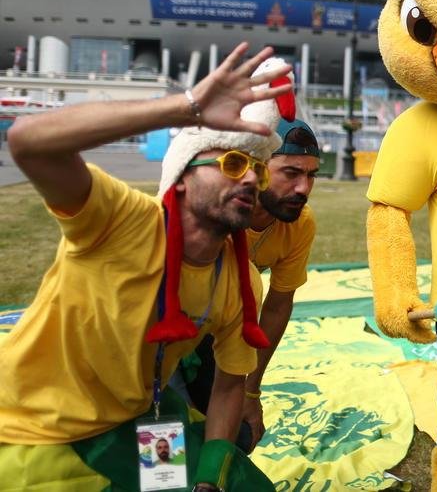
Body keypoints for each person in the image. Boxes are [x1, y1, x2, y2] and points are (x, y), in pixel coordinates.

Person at [0, 43, 290, 492]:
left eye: (258, 169)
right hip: (32, 427)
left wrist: (211, 478)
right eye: (232, 163)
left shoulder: (240, 278)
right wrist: (188, 108)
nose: (251, 178)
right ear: (183, 175)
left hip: (139, 421)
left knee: (246, 487)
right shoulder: (120, 220)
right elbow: (28, 142)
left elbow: (230, 387)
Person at [184, 118, 320, 450]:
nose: (303, 188)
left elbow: (277, 305)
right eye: (290, 172)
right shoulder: (220, 211)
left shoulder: (299, 223)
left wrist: (250, 391)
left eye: (311, 175)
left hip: (223, 329)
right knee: (169, 443)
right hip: (169, 334)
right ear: (256, 167)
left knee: (239, 437)